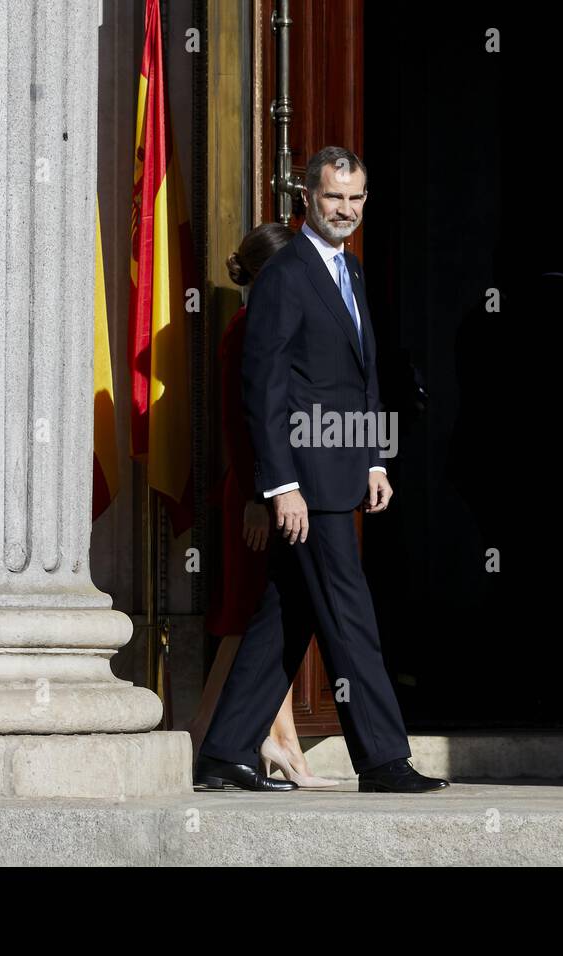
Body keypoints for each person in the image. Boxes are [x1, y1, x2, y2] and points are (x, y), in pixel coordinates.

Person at [194, 146, 449, 793]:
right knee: (349, 612)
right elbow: (264, 387)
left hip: (343, 468)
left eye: (356, 198)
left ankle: (224, 752)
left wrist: (375, 459)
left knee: (287, 614)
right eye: (335, 197)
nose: (346, 209)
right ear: (308, 197)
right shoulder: (285, 275)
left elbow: (361, 376)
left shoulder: (350, 270)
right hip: (306, 481)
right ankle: (384, 760)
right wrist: (279, 485)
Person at [189, 222, 337, 788]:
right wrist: (256, 496)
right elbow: (240, 420)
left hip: (273, 491)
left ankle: (269, 742)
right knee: (250, 619)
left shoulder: (265, 322)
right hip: (259, 496)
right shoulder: (248, 326)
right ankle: (210, 737)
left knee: (266, 620)